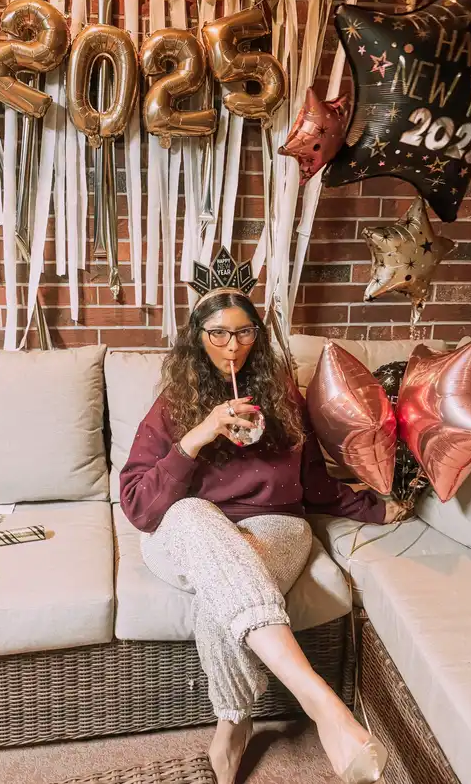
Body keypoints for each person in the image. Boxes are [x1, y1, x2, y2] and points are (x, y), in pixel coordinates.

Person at [121, 285, 402, 784]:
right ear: (197, 337)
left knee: (221, 590)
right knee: (193, 516)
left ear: (258, 334)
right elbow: (140, 507)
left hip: (274, 525)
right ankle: (322, 703)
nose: (233, 346)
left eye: (244, 332)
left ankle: (233, 724)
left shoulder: (283, 396)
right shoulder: (172, 405)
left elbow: (315, 485)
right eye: (218, 334)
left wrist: (376, 508)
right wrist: (197, 436)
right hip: (186, 531)